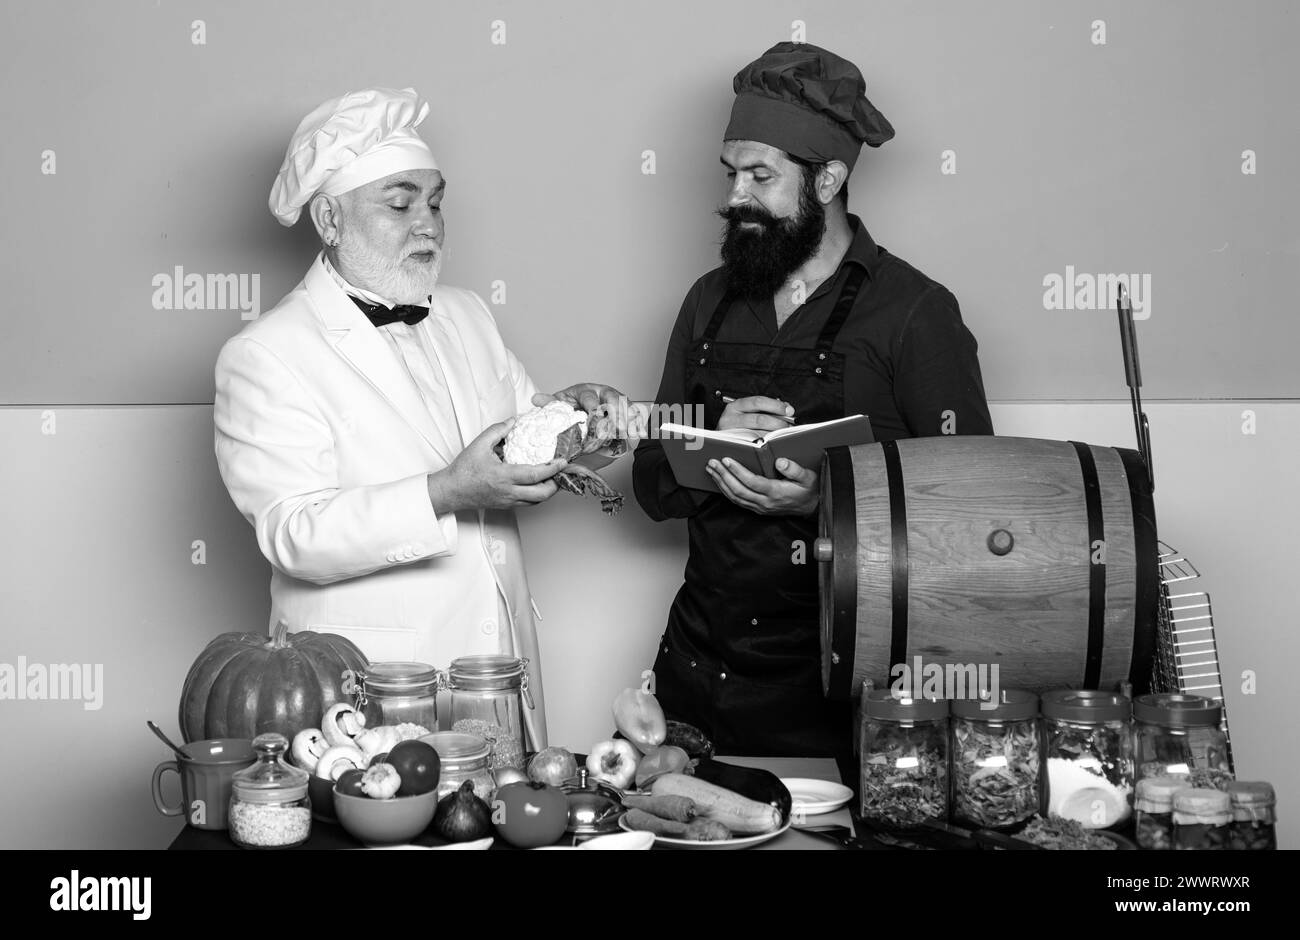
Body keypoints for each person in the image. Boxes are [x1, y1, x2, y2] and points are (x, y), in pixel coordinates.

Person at [215, 87, 625, 749]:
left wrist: (580, 423)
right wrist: (443, 493)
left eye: (435, 202)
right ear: (329, 218)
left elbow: (522, 445)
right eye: (400, 203)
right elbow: (292, 533)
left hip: (501, 672)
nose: (428, 224)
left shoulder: (468, 315)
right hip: (373, 690)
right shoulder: (266, 354)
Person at [633, 45, 994, 758]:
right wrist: (704, 438)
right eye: (732, 172)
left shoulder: (916, 314)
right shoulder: (707, 301)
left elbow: (972, 521)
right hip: (696, 676)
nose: (737, 195)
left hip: (850, 692)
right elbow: (649, 486)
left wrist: (823, 505)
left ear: (828, 179)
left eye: (761, 176)